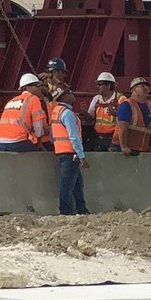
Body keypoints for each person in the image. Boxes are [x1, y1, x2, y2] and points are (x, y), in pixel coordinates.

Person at [50, 78, 90, 216]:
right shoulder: (67, 113)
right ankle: (66, 212)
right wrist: (82, 156)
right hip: (70, 153)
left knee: (77, 184)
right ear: (64, 96)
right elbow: (74, 136)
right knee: (68, 185)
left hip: (62, 152)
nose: (73, 94)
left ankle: (82, 209)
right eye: (70, 91)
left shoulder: (56, 111)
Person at [0, 74, 51, 153]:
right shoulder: (33, 99)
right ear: (27, 87)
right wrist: (39, 142)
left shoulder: (12, 101)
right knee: (35, 156)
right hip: (16, 142)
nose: (39, 88)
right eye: (36, 85)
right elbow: (38, 125)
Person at [87, 72, 130, 157]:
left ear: (109, 85)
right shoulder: (96, 99)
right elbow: (89, 118)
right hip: (98, 138)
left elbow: (127, 119)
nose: (98, 87)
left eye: (100, 84)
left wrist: (116, 114)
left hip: (113, 139)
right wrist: (84, 112)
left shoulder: (120, 99)